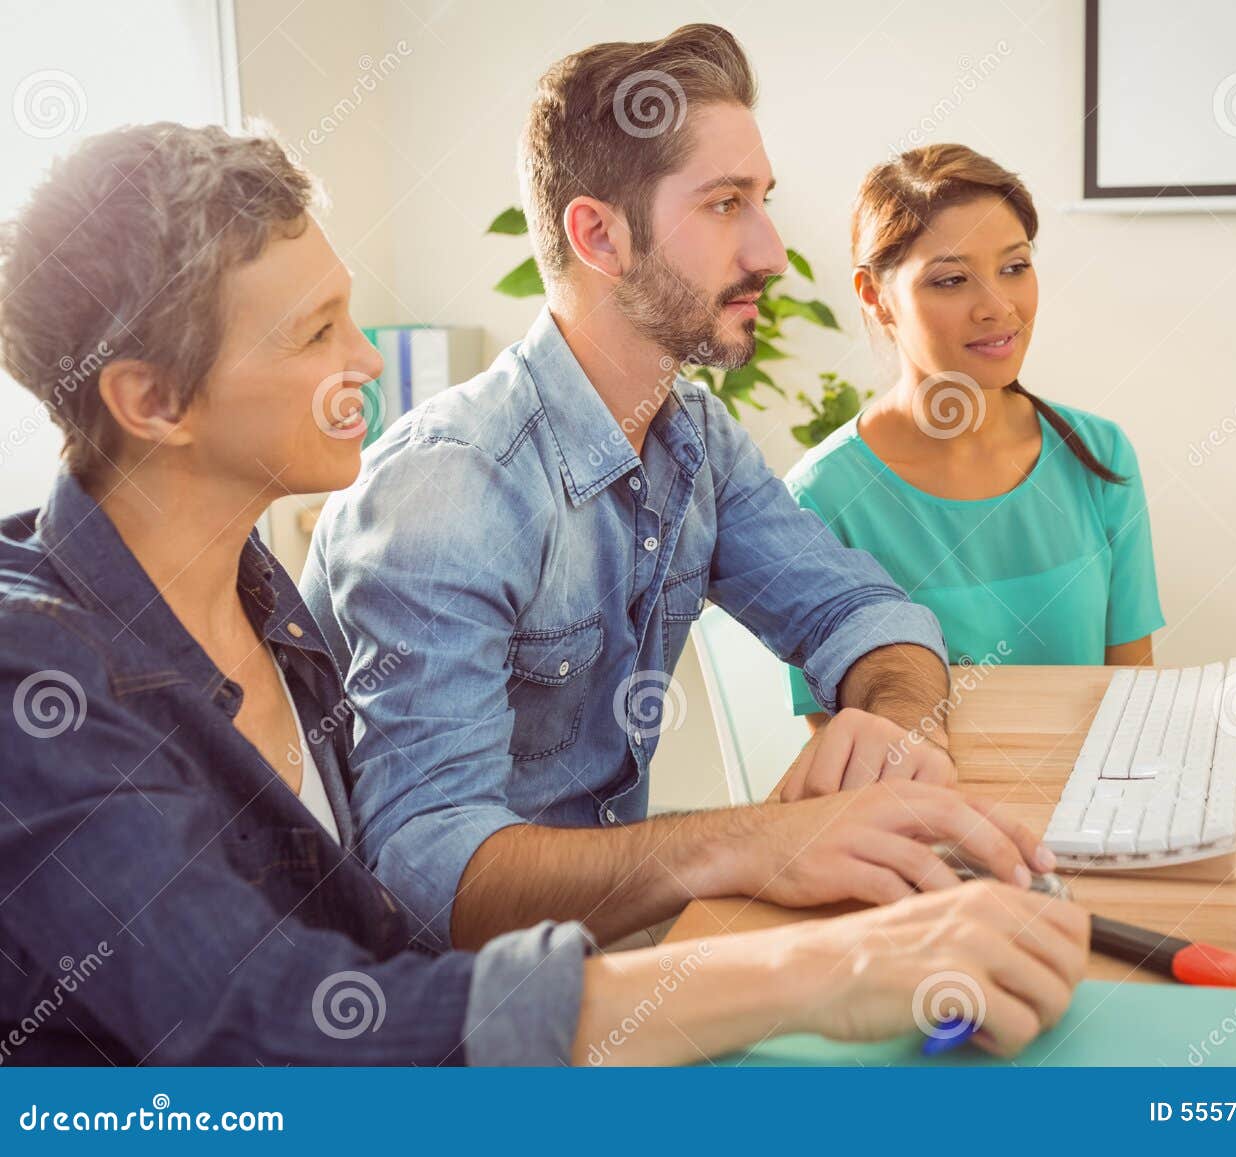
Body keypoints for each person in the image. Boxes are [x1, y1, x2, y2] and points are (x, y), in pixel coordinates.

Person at [0, 123, 1088, 1065]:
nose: (368, 362)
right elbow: (278, 1026)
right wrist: (819, 961)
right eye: (314, 332)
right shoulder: (32, 670)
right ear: (150, 400)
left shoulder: (254, 595)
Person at [299, 24, 1056, 954]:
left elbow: (866, 611)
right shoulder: (452, 488)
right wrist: (753, 842)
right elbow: (428, 878)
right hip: (454, 1034)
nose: (772, 250)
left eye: (763, 201)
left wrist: (893, 719)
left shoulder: (693, 438)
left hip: (612, 970)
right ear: (600, 236)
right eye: (727, 204)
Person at [783, 144, 1164, 755]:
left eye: (1015, 267)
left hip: (1096, 817)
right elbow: (844, 746)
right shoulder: (822, 500)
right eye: (952, 280)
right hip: (925, 828)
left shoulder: (1100, 455)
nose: (998, 307)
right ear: (875, 296)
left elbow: (1134, 694)